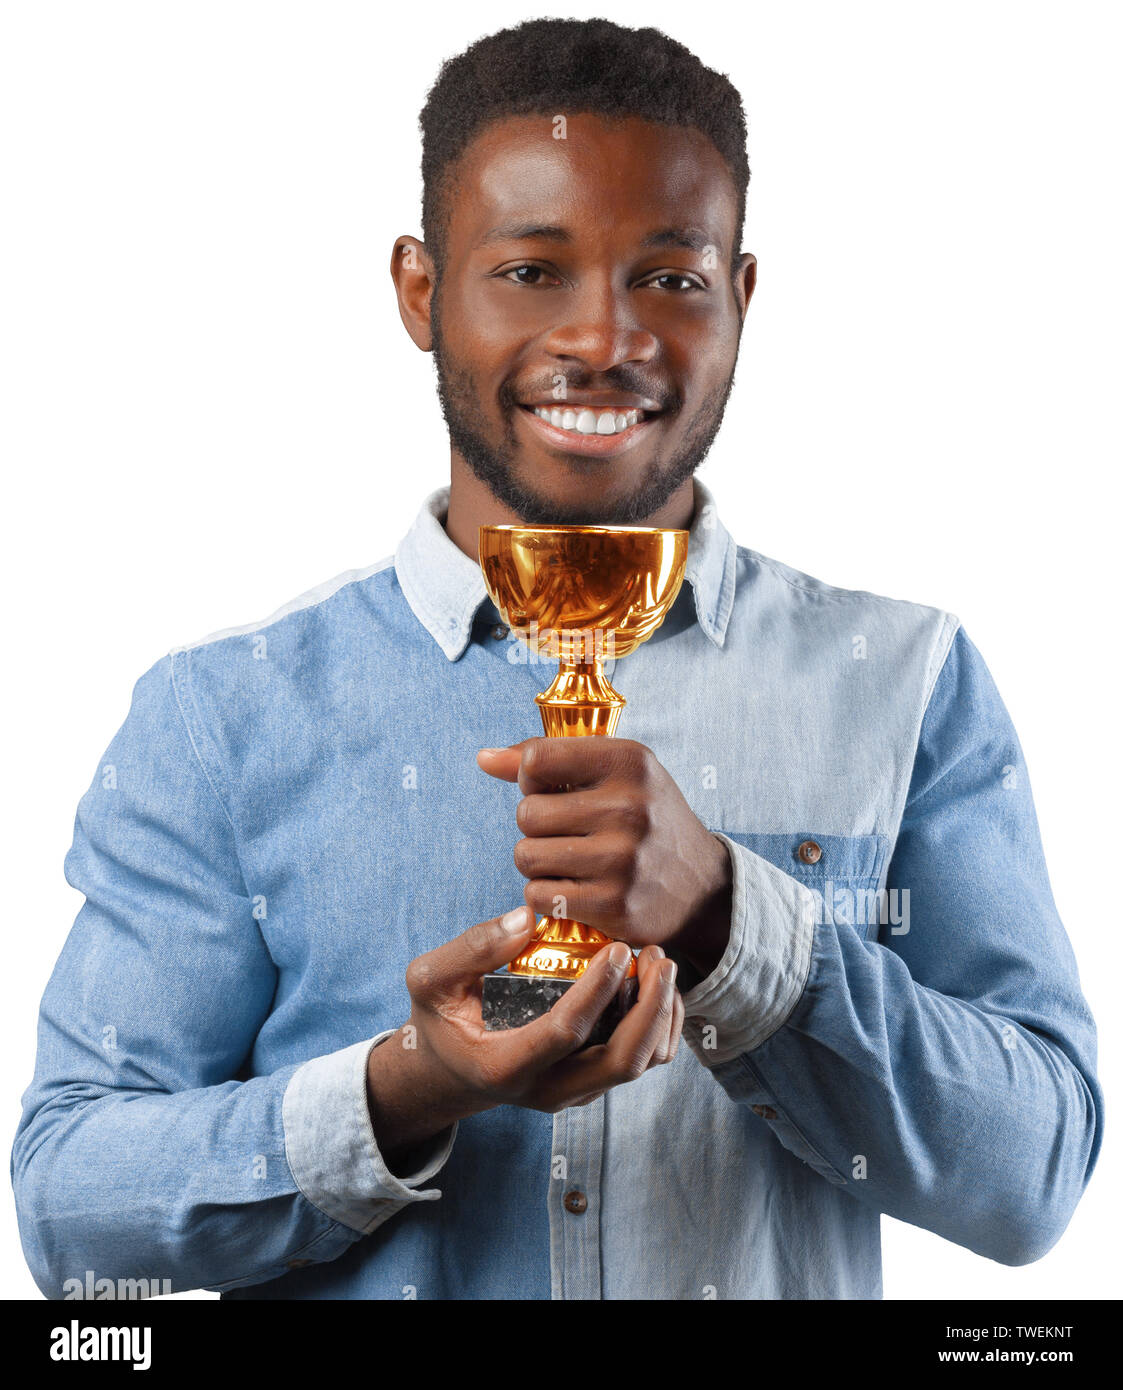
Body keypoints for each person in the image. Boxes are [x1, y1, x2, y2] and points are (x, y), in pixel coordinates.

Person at [12, 18, 1102, 1301]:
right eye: (531, 271)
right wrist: (406, 1090)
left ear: (740, 297)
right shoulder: (225, 713)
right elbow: (71, 1210)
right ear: (421, 291)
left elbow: (1033, 1176)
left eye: (670, 278)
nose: (603, 337)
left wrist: (728, 920)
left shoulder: (905, 680)